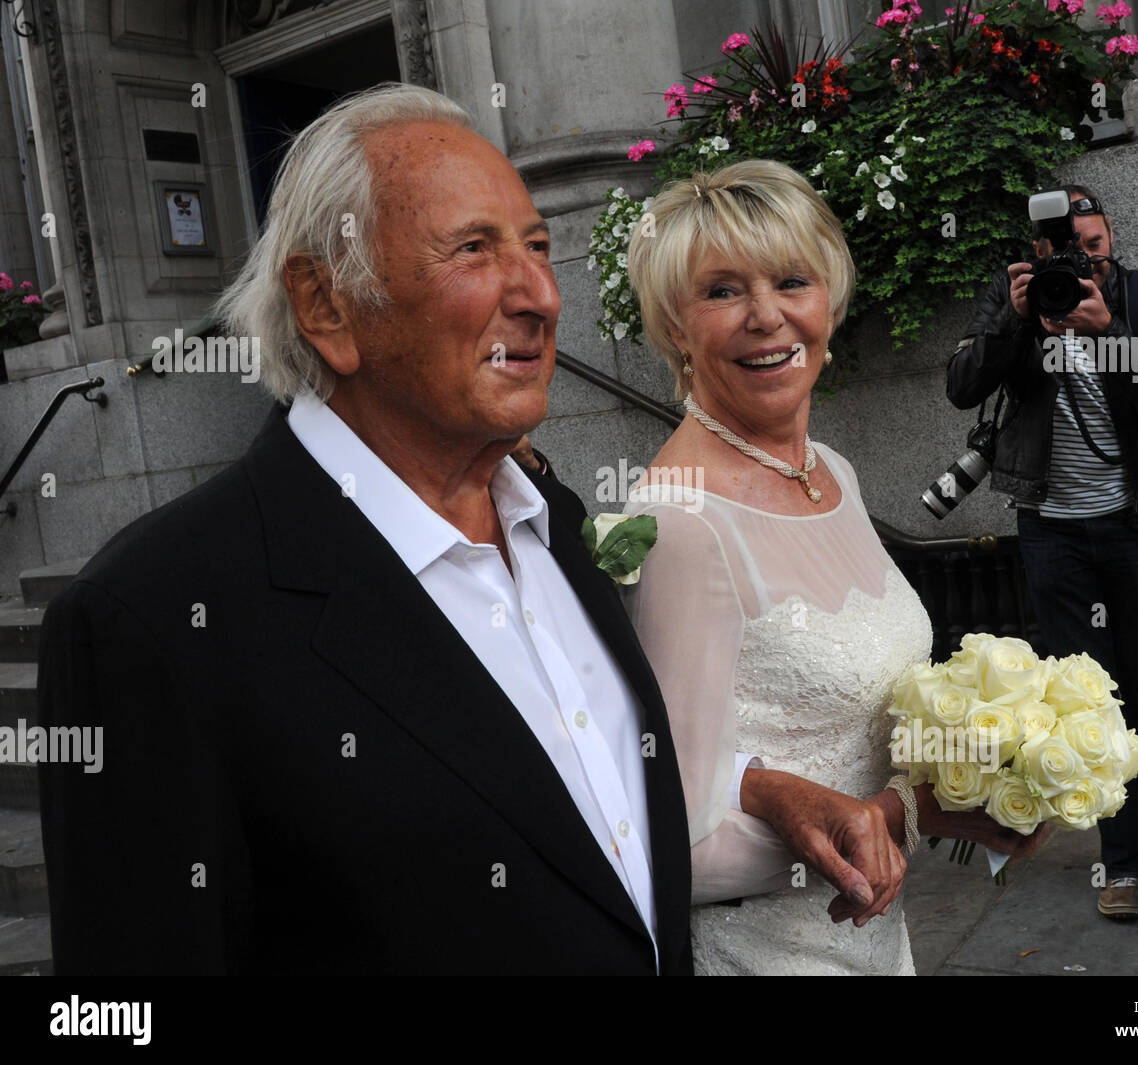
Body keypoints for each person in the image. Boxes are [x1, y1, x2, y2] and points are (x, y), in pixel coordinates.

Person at [36, 84, 696, 974]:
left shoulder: (554, 518)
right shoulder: (154, 619)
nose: (542, 292)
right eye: (474, 249)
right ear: (326, 305)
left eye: (538, 245)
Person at [622, 160, 1045, 975]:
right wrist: (922, 812)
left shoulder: (833, 471)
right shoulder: (678, 522)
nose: (766, 316)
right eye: (720, 291)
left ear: (832, 299)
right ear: (674, 326)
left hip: (874, 940)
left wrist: (983, 776)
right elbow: (678, 841)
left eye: (792, 280)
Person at [947, 184, 1138, 920]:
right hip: (1053, 534)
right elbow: (963, 386)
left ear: (1109, 237)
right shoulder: (1015, 295)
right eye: (1066, 251)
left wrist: (1106, 329)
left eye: (1093, 248)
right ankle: (1121, 863)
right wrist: (1018, 321)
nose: (1080, 262)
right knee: (1092, 703)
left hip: (1137, 524)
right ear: (1038, 252)